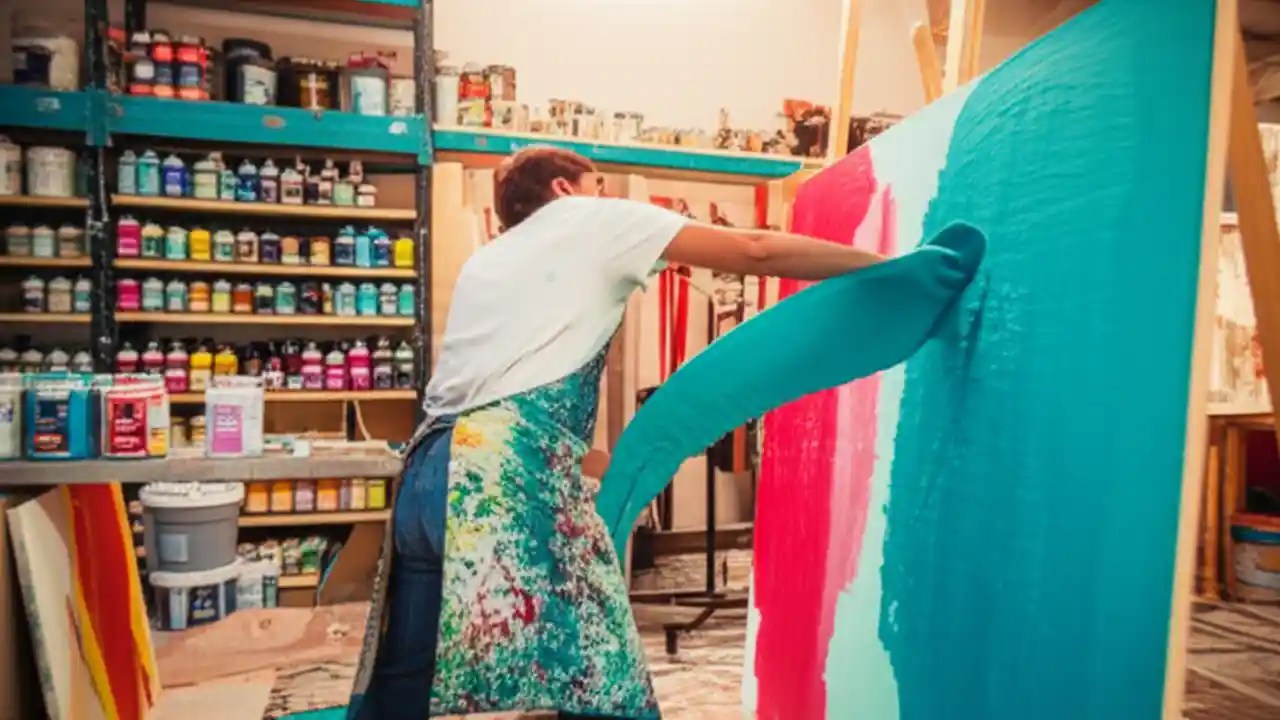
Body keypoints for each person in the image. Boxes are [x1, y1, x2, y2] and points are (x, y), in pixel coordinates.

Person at [346, 146, 885, 720]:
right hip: (498, 481)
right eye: (597, 182)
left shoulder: (489, 258)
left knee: (407, 675)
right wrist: (883, 266)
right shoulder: (592, 219)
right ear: (563, 188)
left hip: (427, 473)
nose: (604, 193)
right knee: (602, 676)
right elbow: (754, 248)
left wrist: (615, 461)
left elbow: (497, 411)